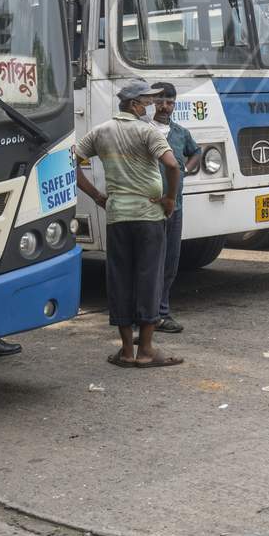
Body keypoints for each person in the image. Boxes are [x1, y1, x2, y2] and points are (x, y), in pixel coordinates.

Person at [75, 80, 186, 367]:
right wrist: (170, 199)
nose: (150, 106)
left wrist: (98, 196)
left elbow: (71, 162)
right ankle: (146, 350)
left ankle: (126, 351)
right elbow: (173, 166)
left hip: (117, 216)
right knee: (149, 277)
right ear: (134, 105)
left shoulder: (101, 131)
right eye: (146, 101)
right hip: (149, 216)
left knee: (120, 278)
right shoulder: (147, 131)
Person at [148, 81, 202, 333]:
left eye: (169, 102)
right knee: (150, 262)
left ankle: (162, 312)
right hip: (148, 208)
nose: (164, 106)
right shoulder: (142, 131)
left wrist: (185, 171)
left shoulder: (180, 133)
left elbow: (196, 152)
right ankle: (147, 314)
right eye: (159, 101)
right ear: (150, 102)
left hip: (175, 206)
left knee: (170, 262)